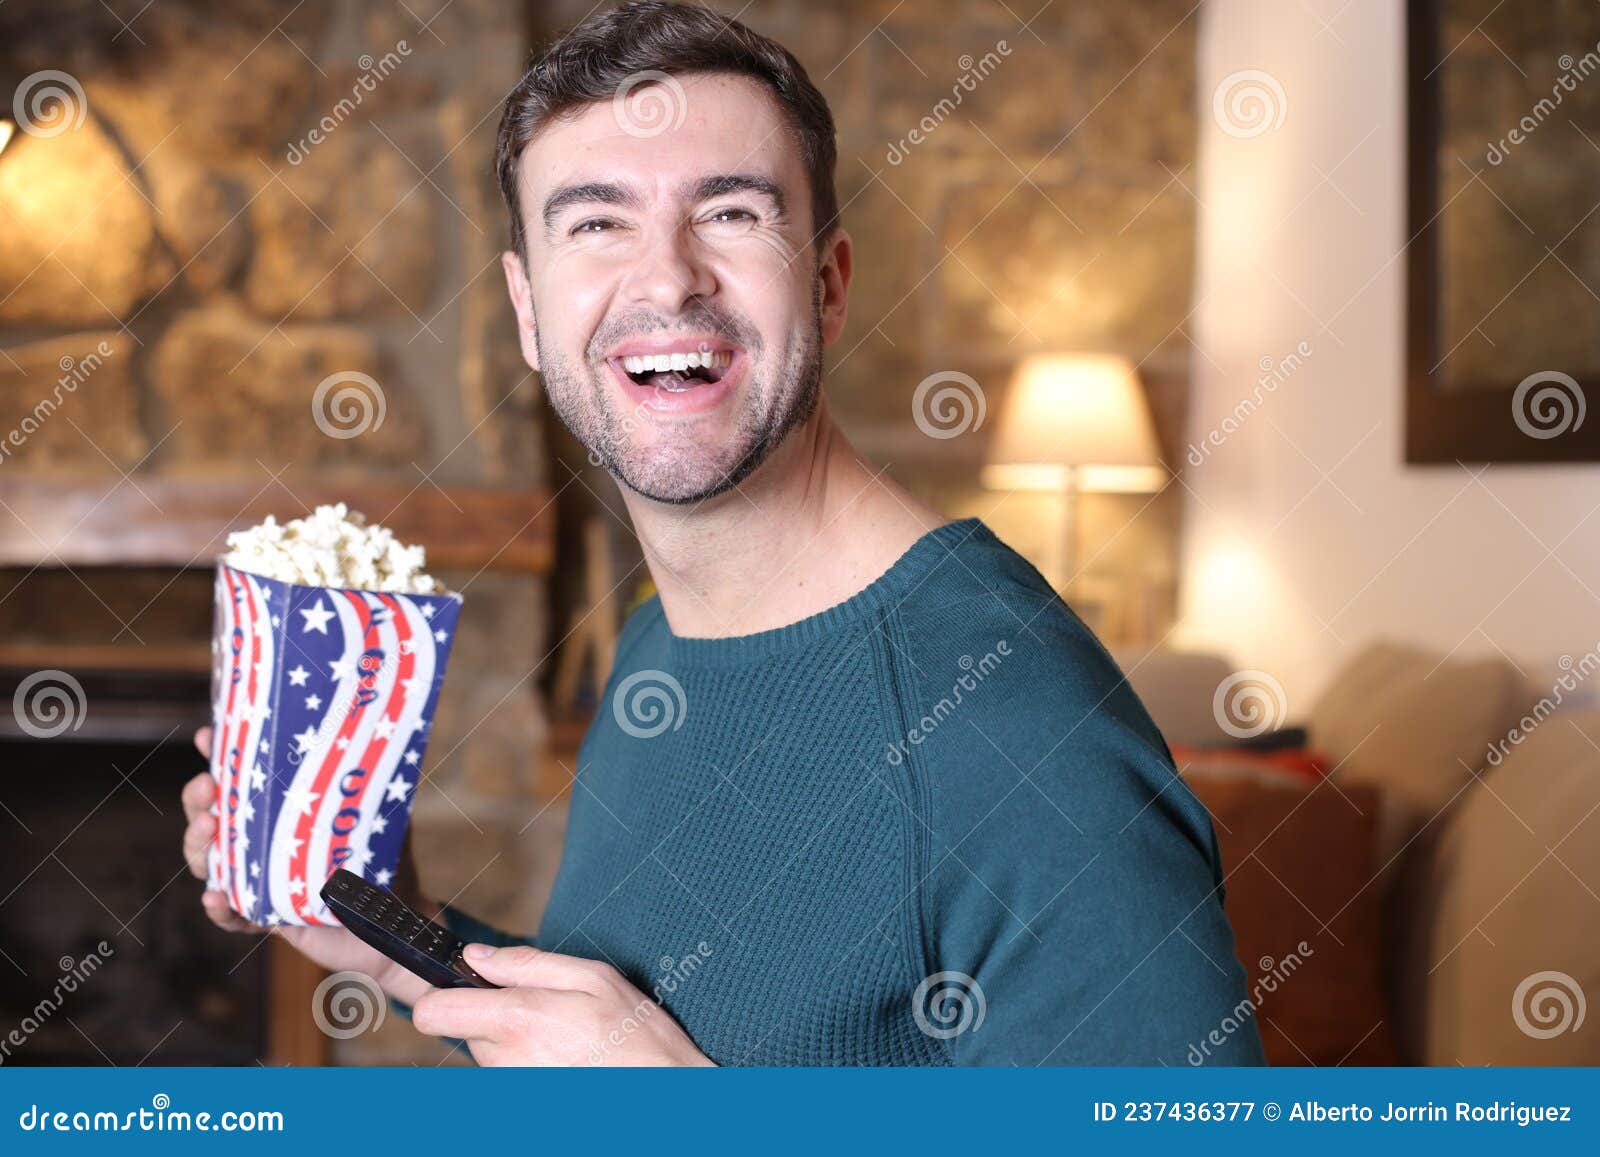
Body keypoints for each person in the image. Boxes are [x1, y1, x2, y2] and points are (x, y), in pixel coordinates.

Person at [182, 0, 1265, 1067]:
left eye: (733, 214)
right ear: (527, 309)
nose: (667, 277)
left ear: (828, 285)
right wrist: (406, 942)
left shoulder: (1018, 728)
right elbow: (631, 1039)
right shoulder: (661, 639)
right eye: (596, 222)